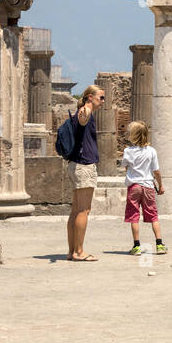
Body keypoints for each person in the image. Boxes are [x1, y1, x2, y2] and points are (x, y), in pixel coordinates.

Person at [66, 84, 104, 261]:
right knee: (83, 210)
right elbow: (83, 118)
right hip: (84, 165)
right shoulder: (85, 111)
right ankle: (79, 251)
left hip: (75, 165)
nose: (103, 101)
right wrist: (85, 113)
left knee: (75, 211)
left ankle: (71, 251)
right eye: (100, 98)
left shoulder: (82, 111)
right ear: (90, 97)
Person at [122, 121, 165, 255]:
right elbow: (156, 171)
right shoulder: (152, 151)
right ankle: (159, 245)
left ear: (132, 135)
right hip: (148, 186)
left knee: (134, 216)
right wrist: (160, 185)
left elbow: (126, 167)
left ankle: (136, 246)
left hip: (134, 186)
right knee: (153, 216)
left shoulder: (127, 151)